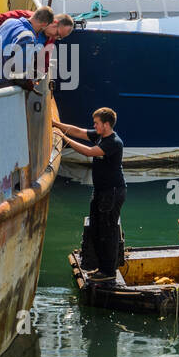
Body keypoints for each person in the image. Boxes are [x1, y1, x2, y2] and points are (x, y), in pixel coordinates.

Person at [54, 107, 125, 283]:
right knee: (96, 229)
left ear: (106, 125)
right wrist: (56, 124)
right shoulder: (100, 135)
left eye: (96, 123)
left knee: (107, 231)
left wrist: (64, 139)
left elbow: (89, 152)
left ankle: (108, 271)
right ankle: (101, 268)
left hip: (113, 192)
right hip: (100, 191)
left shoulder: (113, 142)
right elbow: (78, 131)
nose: (94, 126)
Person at [0, 6, 54, 89]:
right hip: (0, 85)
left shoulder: (9, 22)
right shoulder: (27, 38)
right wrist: (29, 85)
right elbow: (18, 73)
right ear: (44, 24)